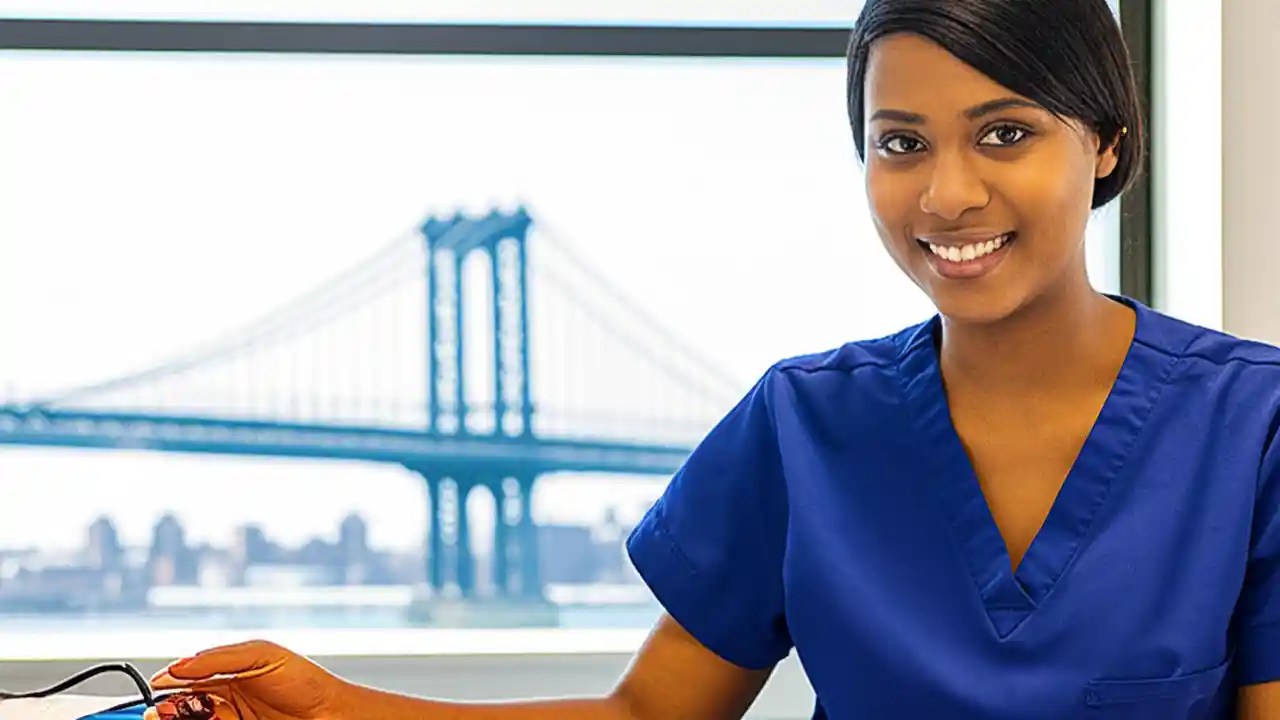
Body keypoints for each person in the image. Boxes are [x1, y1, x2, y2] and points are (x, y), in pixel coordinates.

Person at [144, 1, 1280, 718]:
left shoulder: (1253, 427)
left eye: (1003, 133)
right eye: (898, 144)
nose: (946, 194)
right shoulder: (800, 426)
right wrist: (329, 707)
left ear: (1108, 144)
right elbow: (647, 718)